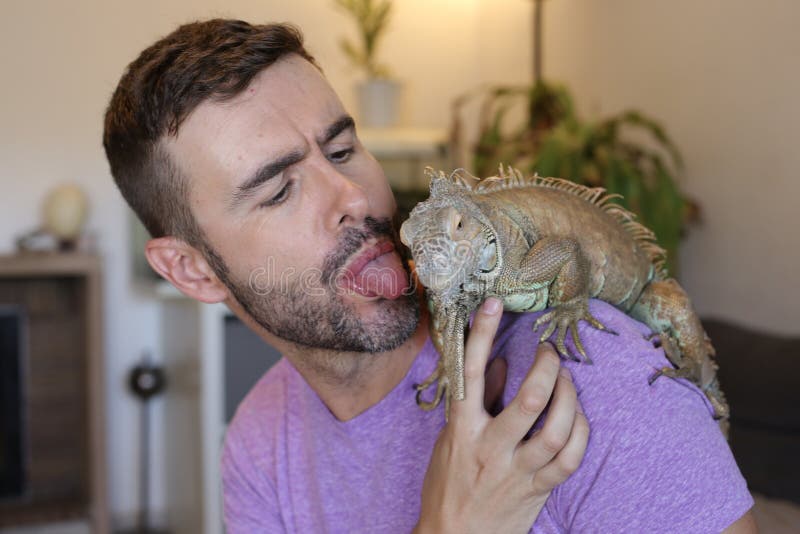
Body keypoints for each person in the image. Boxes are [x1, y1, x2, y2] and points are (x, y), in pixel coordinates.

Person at [103, 19, 756, 533]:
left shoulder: (581, 369)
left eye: (342, 149)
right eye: (279, 192)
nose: (353, 198)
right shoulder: (258, 443)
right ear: (190, 270)